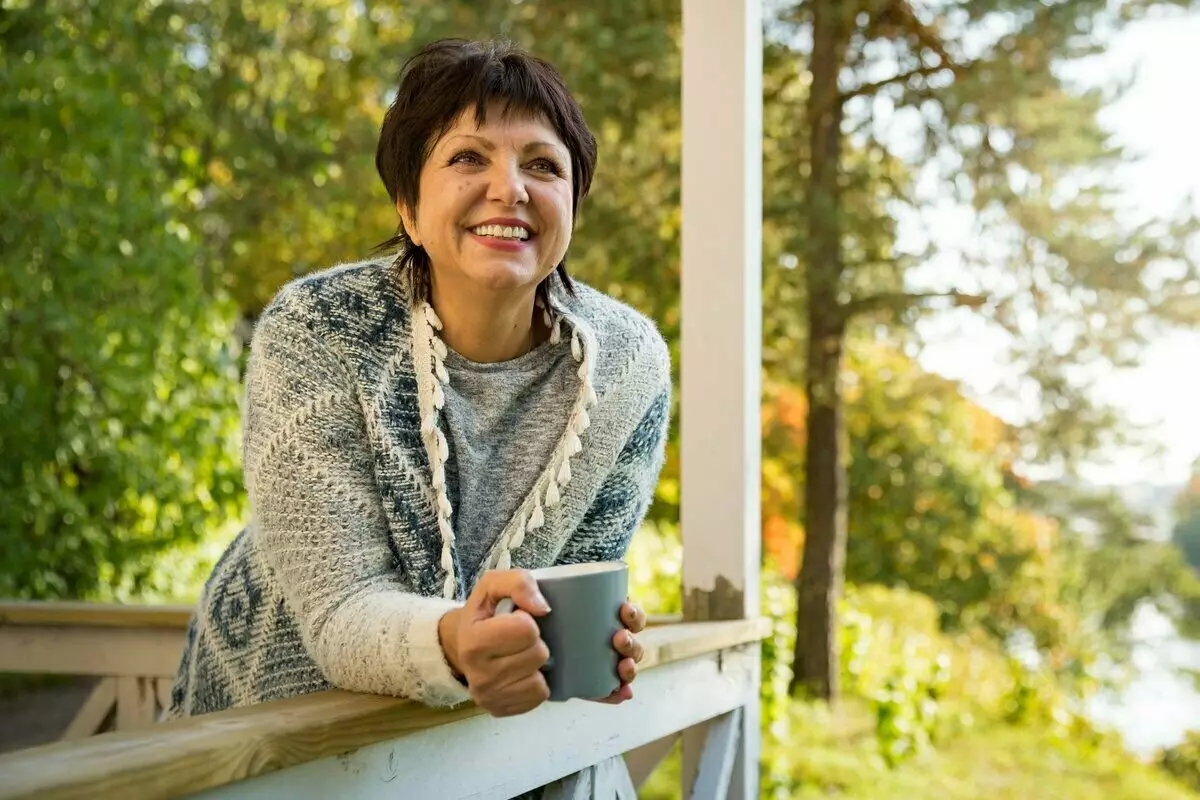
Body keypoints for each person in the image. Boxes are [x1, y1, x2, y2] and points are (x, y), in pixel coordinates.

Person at [166, 36, 671, 795]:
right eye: (468, 158)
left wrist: (589, 649)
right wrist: (452, 641)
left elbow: (577, 581)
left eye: (543, 164)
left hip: (478, 749)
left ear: (573, 205)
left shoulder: (629, 361)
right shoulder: (317, 328)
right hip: (280, 730)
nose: (510, 188)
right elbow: (340, 609)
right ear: (408, 207)